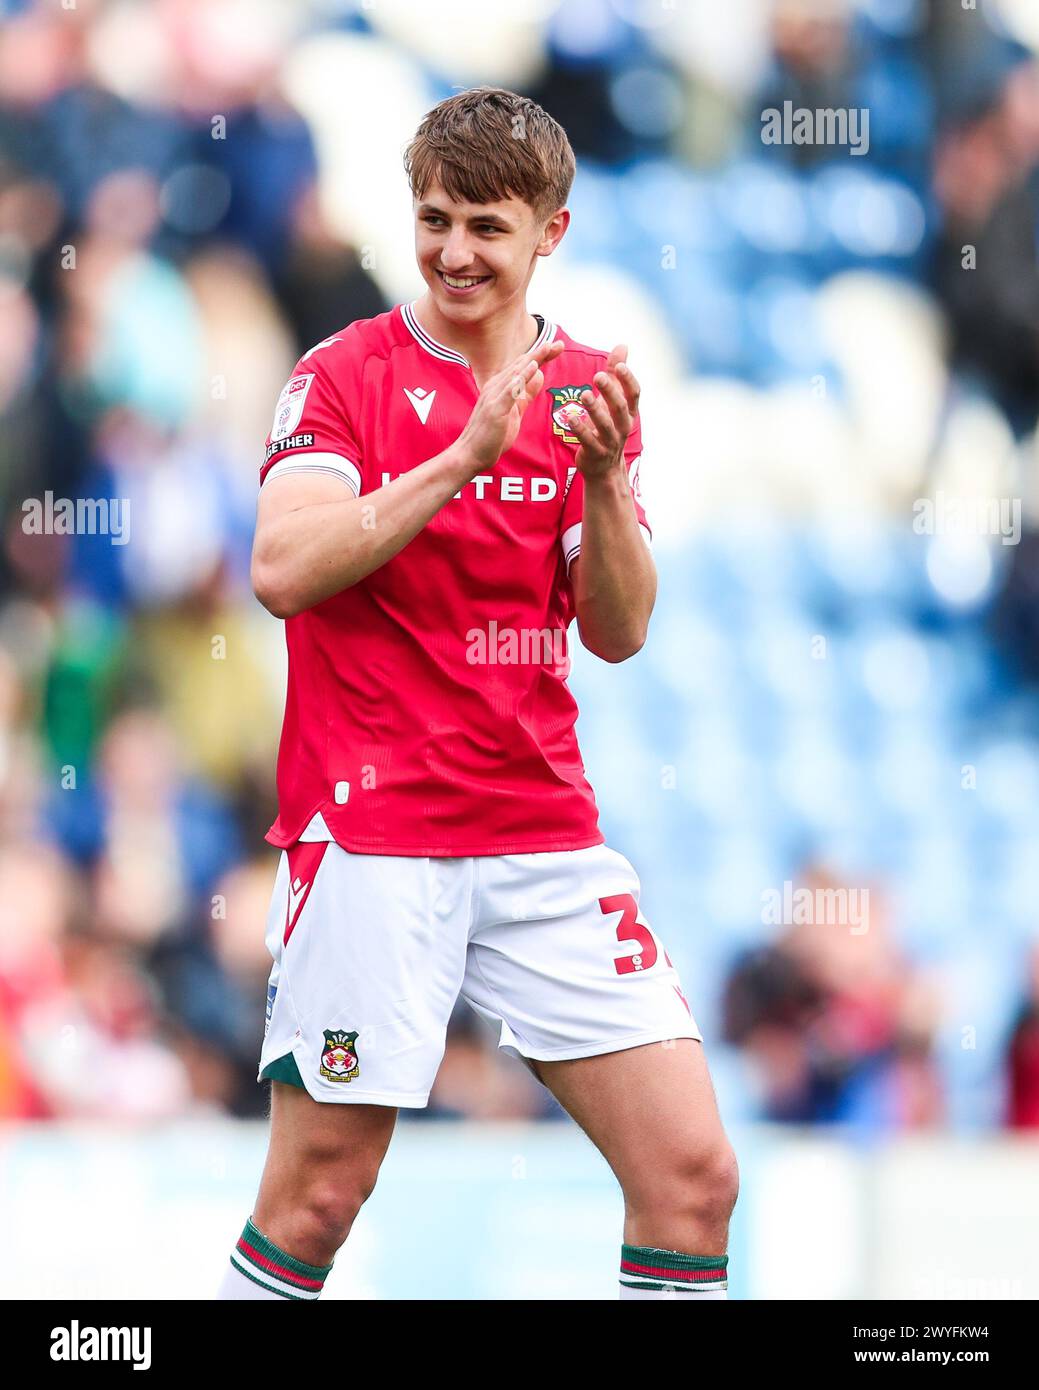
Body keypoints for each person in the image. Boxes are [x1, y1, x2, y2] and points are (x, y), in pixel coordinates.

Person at [219, 86, 738, 1302]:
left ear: (549, 232)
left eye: (486, 226)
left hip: (541, 832)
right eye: (435, 219)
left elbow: (619, 631)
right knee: (321, 1193)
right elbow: (282, 570)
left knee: (693, 1173)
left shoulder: (590, 395)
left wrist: (603, 480)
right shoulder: (344, 373)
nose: (455, 251)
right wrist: (460, 458)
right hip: (375, 832)